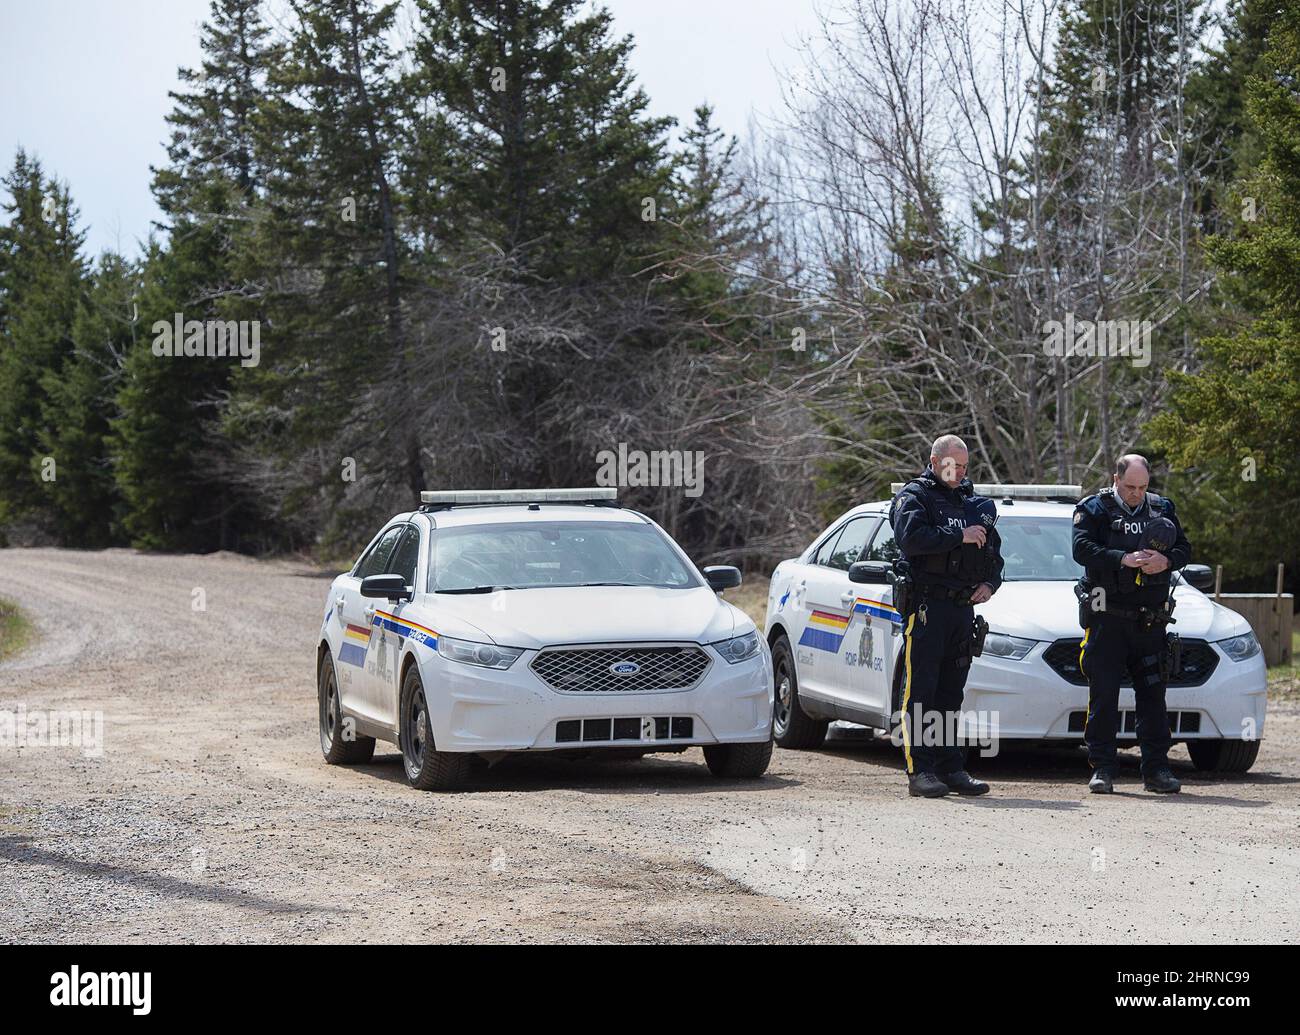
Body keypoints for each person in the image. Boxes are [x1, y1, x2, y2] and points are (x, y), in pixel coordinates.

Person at [889, 435, 1003, 798]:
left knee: (951, 693)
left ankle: (950, 767)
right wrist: (960, 535)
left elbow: (994, 554)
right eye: (953, 465)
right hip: (926, 607)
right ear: (935, 461)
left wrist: (989, 583)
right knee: (921, 691)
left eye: (965, 466)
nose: (959, 472)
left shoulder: (973, 502)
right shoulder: (915, 497)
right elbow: (912, 539)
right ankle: (920, 770)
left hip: (961, 609)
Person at [1073, 454, 1191, 794]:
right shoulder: (1094, 508)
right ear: (1116, 478)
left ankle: (1157, 771)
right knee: (1104, 696)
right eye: (1130, 487)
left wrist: (1165, 560)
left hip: (1150, 622)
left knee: (1153, 697)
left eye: (1142, 487)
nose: (1136, 494)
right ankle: (1103, 770)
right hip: (1107, 618)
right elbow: (1081, 549)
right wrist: (1122, 559)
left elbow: (1184, 548)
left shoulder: (1162, 509)